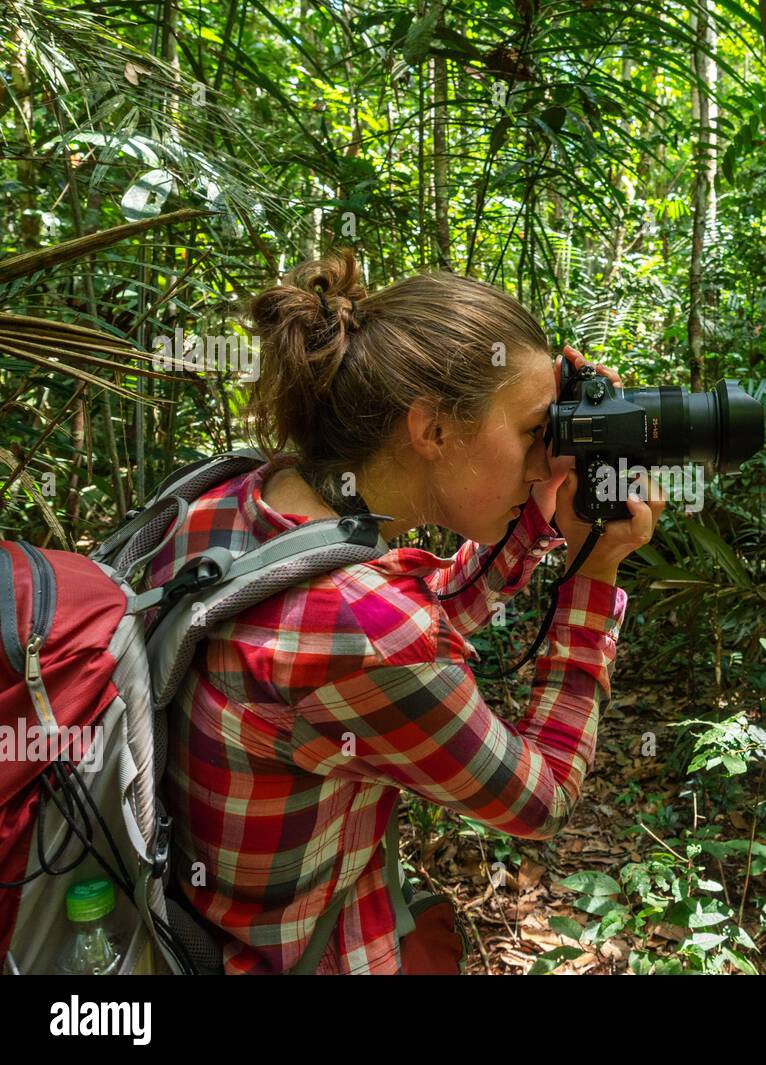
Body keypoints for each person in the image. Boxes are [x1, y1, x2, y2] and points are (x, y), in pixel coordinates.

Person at [144, 248, 663, 974]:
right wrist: (594, 576)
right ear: (433, 431)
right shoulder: (371, 633)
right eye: (530, 433)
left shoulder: (244, 498)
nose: (547, 458)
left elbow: (425, 608)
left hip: (193, 921)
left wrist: (542, 508)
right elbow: (541, 800)